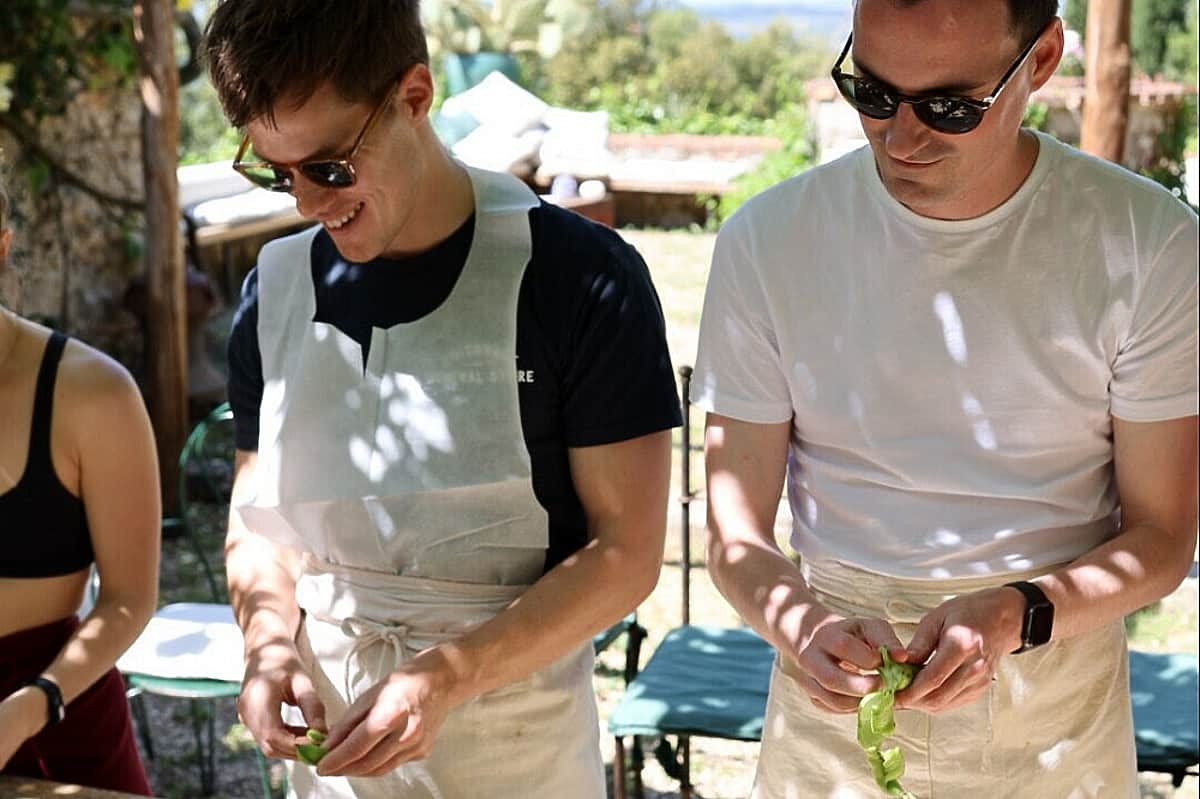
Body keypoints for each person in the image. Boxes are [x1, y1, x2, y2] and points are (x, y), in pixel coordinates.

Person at [692, 1, 1199, 796]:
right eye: (871, 91)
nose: (900, 137)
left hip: (1052, 677)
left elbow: (1163, 537)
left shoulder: (1146, 242)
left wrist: (1017, 613)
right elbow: (736, 531)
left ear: (1040, 61)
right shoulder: (767, 241)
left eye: (948, 107)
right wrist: (799, 620)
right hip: (833, 680)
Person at [200, 2, 680, 796]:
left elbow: (626, 554)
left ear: (414, 97)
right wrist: (267, 648)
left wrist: (449, 676)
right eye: (273, 172)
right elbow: (260, 523)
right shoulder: (272, 293)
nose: (305, 205)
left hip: (518, 742)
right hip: (338, 746)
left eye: (327, 168)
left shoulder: (581, 279)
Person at [0, 175, 159, 792]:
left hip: (54, 711)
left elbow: (128, 599)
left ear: (2, 243)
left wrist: (31, 704)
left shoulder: (93, 393)